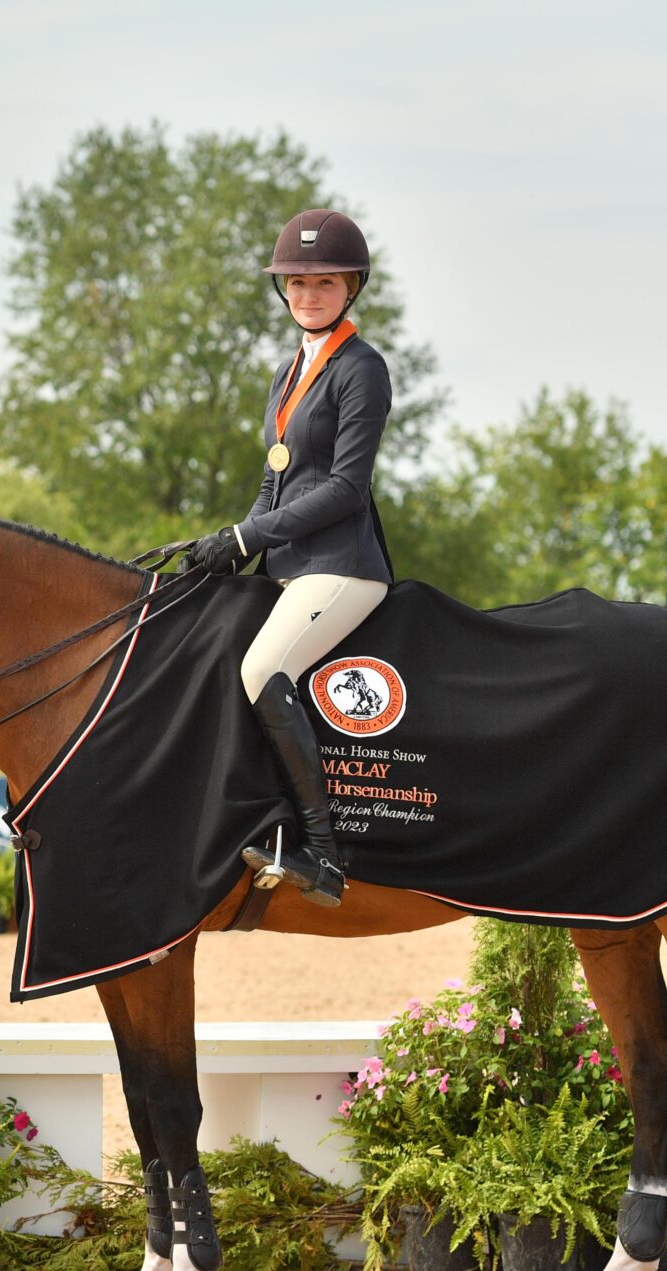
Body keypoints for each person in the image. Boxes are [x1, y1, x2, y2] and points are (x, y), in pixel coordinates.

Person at [185, 208, 396, 907]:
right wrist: (225, 546)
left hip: (342, 566)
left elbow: (344, 487)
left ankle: (326, 856)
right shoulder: (288, 370)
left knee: (263, 666)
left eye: (324, 282)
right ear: (284, 291)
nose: (309, 294)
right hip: (290, 566)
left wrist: (250, 538)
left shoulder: (361, 369)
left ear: (350, 288)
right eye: (297, 282)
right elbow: (276, 480)